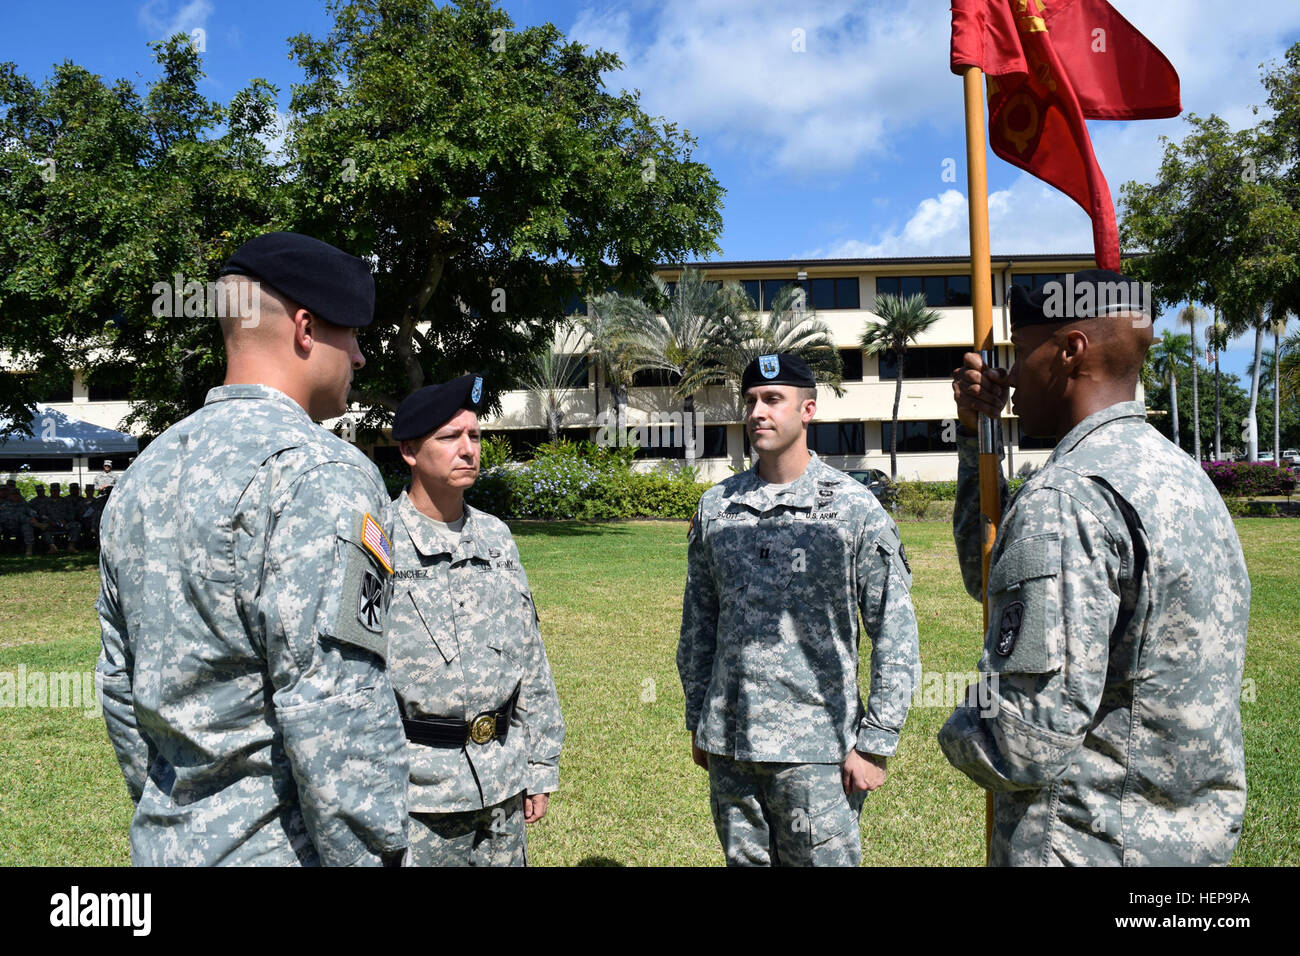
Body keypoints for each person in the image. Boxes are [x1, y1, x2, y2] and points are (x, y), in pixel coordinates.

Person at [95, 231, 410, 866]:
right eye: (350, 334)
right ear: (304, 328)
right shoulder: (322, 475)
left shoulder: (143, 473)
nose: (360, 357)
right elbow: (338, 709)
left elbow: (118, 687)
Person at [938, 270, 1250, 866]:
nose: (1011, 375)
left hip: (1085, 842)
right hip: (1184, 848)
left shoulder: (1068, 496)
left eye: (1023, 352)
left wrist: (953, 731)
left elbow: (1026, 741)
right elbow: (993, 577)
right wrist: (976, 437)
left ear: (1069, 353)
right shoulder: (1185, 477)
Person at [677, 352, 921, 867]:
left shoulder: (851, 508)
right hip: (732, 744)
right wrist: (700, 718)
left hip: (817, 750)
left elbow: (894, 628)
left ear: (808, 410)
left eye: (773, 400)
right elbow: (699, 622)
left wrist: (876, 741)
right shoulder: (718, 507)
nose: (758, 413)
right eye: (751, 402)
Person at [385, 373, 565, 866]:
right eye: (449, 437)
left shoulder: (496, 537)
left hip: (503, 783)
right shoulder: (380, 543)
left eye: (475, 436)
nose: (468, 449)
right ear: (408, 451)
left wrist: (540, 763)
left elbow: (530, 652)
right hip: (419, 795)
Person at [0, 487, 35, 555]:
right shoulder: (4, 505)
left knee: (27, 526)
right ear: (10, 495)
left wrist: (33, 517)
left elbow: (32, 512)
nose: (15, 496)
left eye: (17, 494)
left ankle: (29, 549)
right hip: (7, 527)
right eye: (13, 494)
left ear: (19, 495)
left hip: (19, 528)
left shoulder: (24, 505)